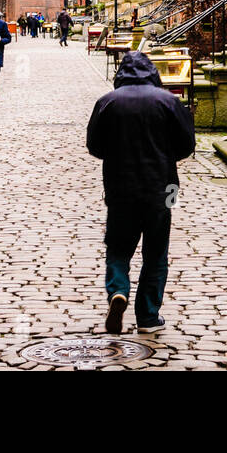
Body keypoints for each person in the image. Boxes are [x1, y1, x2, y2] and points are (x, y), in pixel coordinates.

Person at [86, 51, 195, 335]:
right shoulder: (169, 101)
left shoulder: (108, 102)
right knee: (156, 253)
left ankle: (118, 291)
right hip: (163, 187)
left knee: (118, 248)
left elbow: (94, 146)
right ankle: (147, 315)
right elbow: (186, 144)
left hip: (120, 187)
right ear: (152, 72)